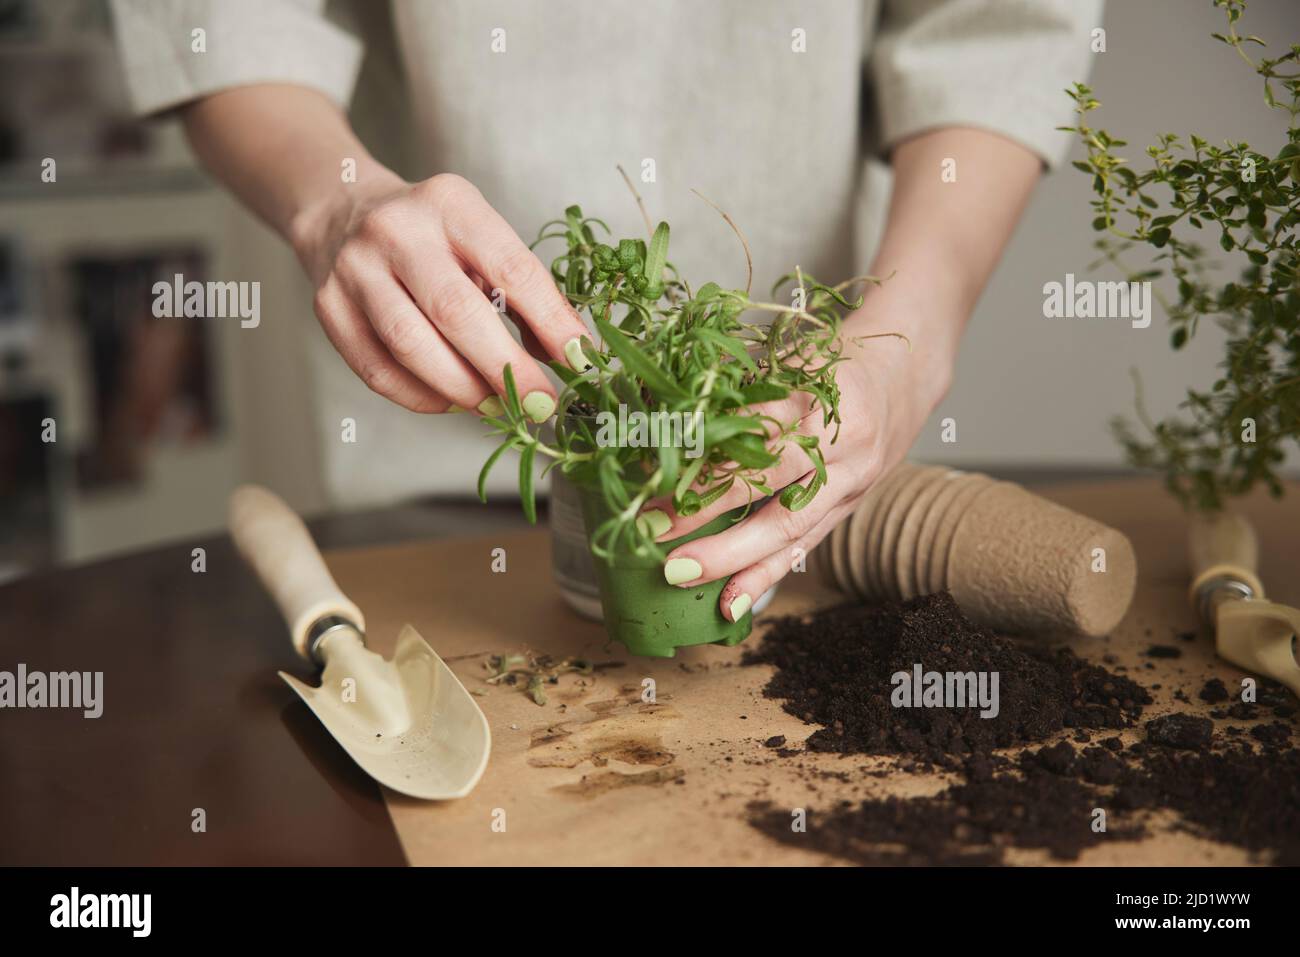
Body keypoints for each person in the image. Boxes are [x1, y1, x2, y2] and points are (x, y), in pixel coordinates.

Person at [110, 0, 1100, 622]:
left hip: (795, 474)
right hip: (425, 432)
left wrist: (910, 332)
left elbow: (991, 31)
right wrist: (335, 199)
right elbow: (229, 19)